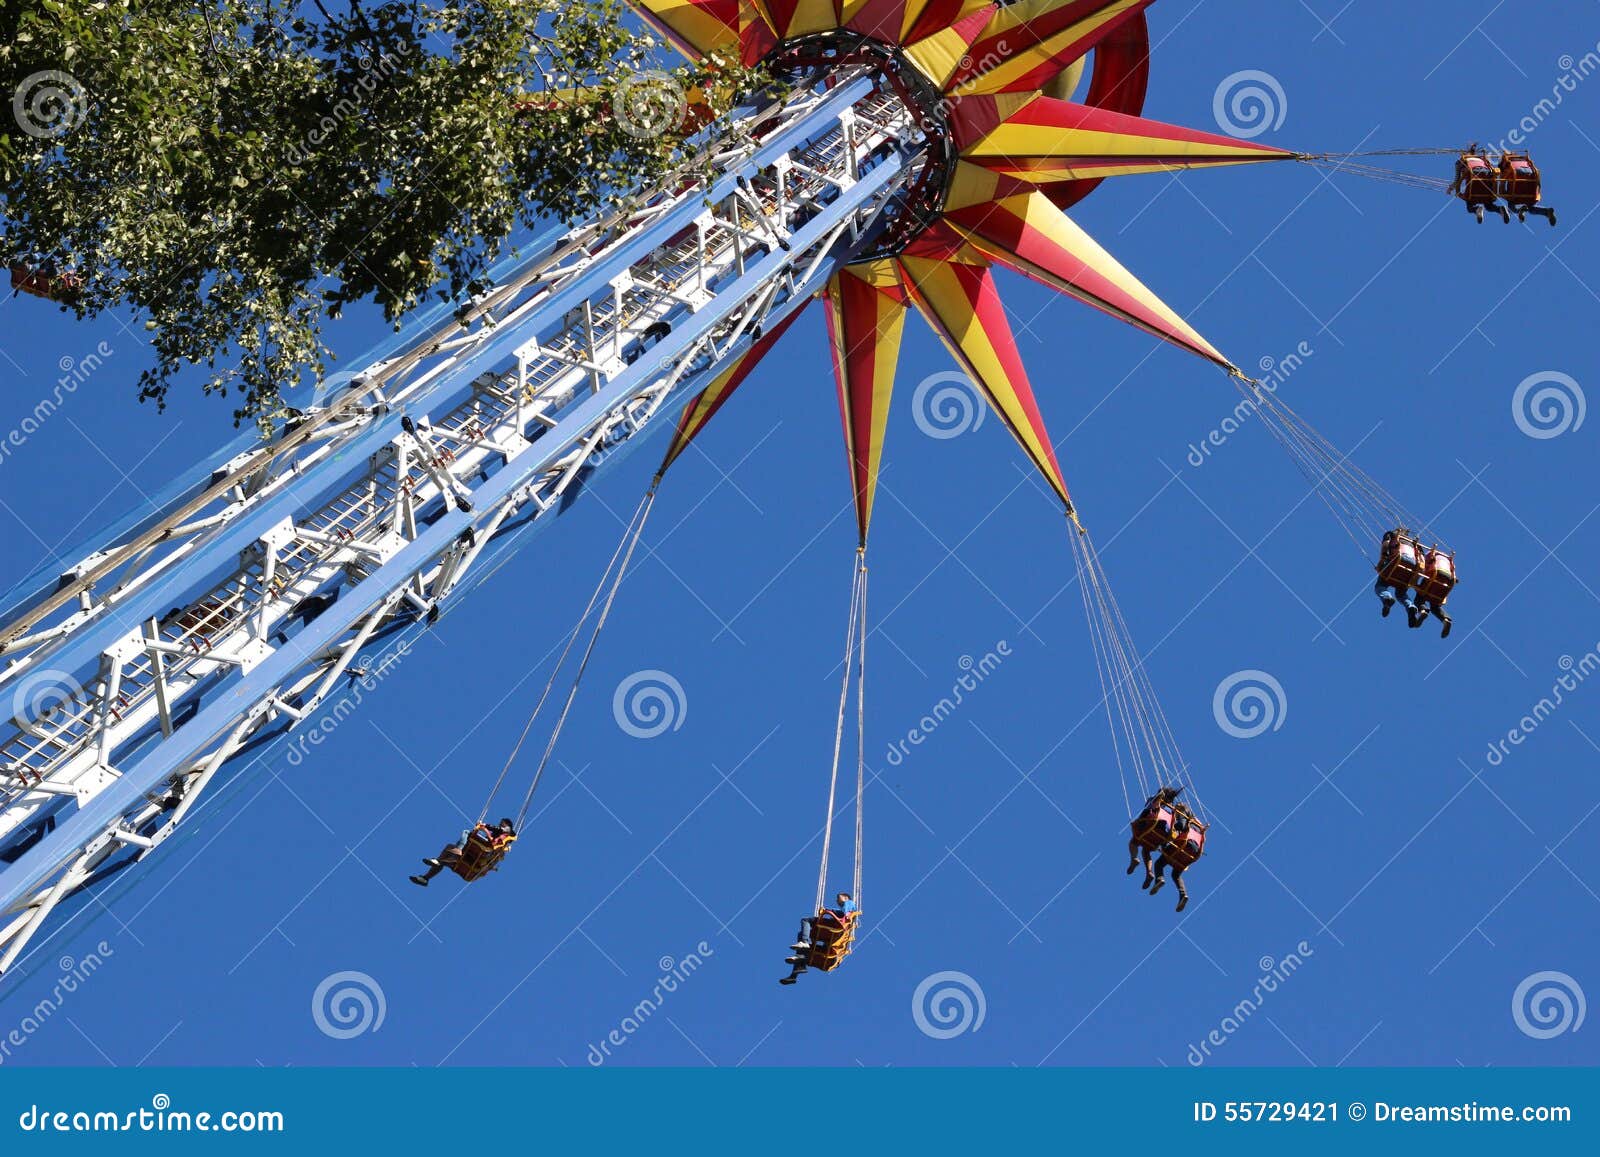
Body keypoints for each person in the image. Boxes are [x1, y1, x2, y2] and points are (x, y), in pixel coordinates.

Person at [780, 891, 858, 985]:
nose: (837, 900)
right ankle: (795, 974)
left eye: (838, 898)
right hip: (832, 933)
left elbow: (844, 914)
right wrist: (830, 910)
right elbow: (840, 912)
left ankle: (805, 942)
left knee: (805, 920)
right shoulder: (847, 907)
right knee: (801, 936)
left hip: (836, 924)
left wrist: (829, 911)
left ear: (846, 898)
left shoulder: (849, 903)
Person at [410, 818, 516, 886]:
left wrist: (485, 829)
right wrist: (485, 828)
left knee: (466, 832)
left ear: (508, 826)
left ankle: (457, 851)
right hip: (472, 856)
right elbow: (494, 833)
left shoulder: (506, 834)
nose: (501, 826)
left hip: (484, 852)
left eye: (503, 824)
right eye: (501, 824)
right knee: (449, 848)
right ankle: (425, 878)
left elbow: (493, 843)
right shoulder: (499, 832)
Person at [1149, 806, 1203, 913]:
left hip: (1184, 846)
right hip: (1193, 852)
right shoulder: (1198, 826)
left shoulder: (1185, 818)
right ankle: (1183, 895)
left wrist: (1174, 824)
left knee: (1159, 863)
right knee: (1176, 874)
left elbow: (1181, 825)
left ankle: (1159, 879)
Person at [1127, 786, 1181, 887]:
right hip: (1164, 834)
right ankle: (1149, 873)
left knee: (1133, 842)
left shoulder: (1155, 800)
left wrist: (1158, 796)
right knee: (1146, 850)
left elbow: (1148, 808)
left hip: (1152, 826)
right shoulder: (1172, 809)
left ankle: (1134, 858)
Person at [1374, 530, 1422, 627]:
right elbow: (1422, 559)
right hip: (1412, 567)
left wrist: (1382, 559)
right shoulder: (1415, 543)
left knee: (1380, 585)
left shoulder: (1391, 535)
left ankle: (1387, 598)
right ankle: (1410, 607)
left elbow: (1385, 544)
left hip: (1398, 560)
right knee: (1401, 593)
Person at [1450, 149, 1508, 223]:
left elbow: (1457, 180)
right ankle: (1501, 209)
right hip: (1487, 186)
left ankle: (1477, 209)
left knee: (1469, 207)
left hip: (1473, 187)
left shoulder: (1460, 162)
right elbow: (1492, 171)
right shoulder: (1484, 160)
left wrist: (1451, 188)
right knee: (1489, 206)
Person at [1497, 154, 1556, 226]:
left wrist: (1505, 196)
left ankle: (1520, 210)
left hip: (1516, 192)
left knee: (1511, 206)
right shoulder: (1527, 164)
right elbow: (1537, 180)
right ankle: (1547, 212)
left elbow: (1502, 188)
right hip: (1530, 191)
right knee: (1531, 209)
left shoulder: (1508, 168)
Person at [1414, 546, 1457, 638]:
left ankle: (1423, 610)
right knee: (1435, 606)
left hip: (1434, 576)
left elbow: (1422, 568)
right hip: (1447, 579)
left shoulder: (1428, 556)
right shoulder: (1447, 560)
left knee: (1419, 598)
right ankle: (1446, 619)